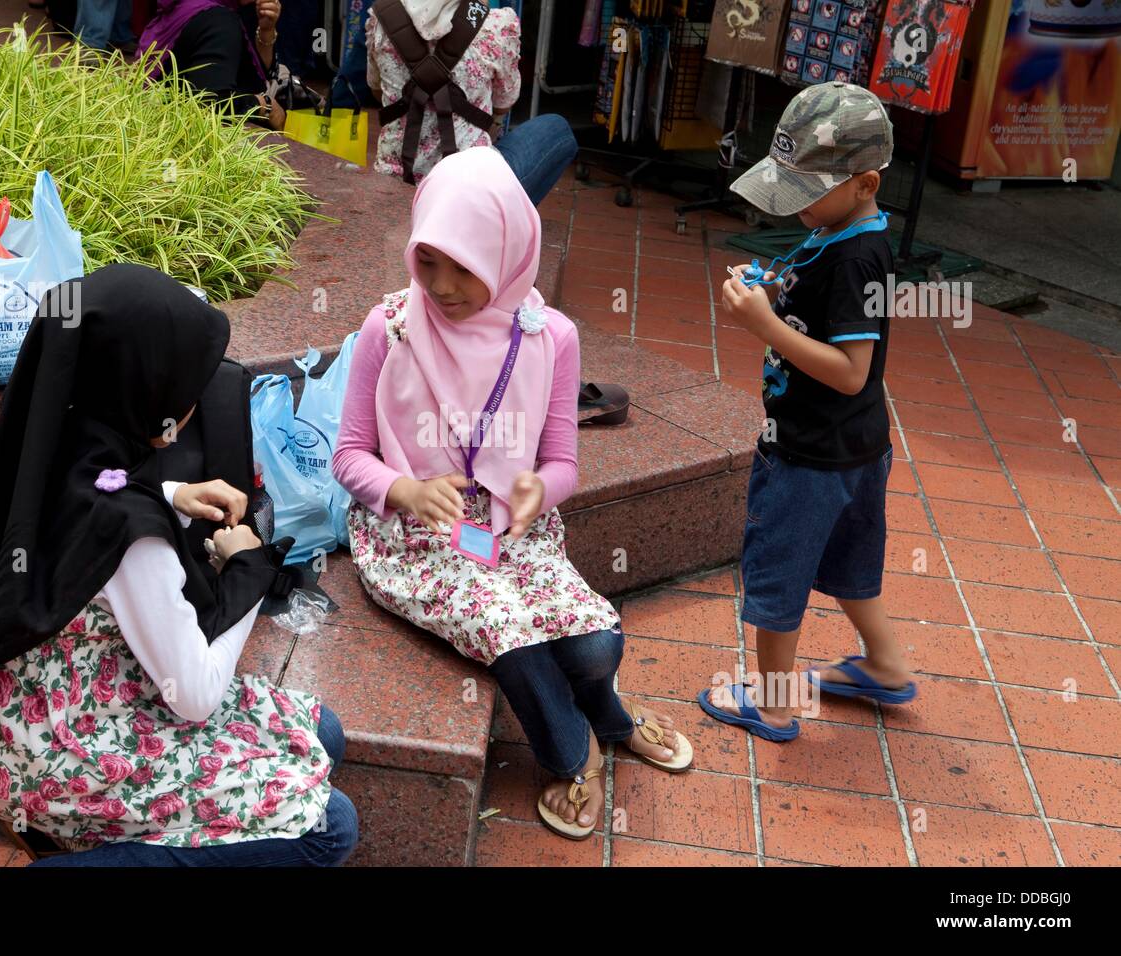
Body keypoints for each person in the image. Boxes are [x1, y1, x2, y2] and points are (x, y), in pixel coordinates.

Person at [0, 264, 357, 866]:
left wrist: (173, 495)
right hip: (70, 757)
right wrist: (247, 572)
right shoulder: (134, 538)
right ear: (144, 382)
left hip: (41, 715)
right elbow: (195, 694)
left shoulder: (54, 439)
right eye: (187, 380)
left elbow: (95, 500)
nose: (195, 401)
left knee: (323, 733)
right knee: (330, 827)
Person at [332, 147, 692, 842]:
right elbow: (349, 455)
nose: (440, 285)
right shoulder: (390, 325)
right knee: (511, 635)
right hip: (414, 535)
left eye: (464, 265)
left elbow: (561, 464)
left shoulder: (549, 337)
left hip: (510, 530)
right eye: (427, 260)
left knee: (594, 646)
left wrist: (536, 489)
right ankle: (572, 755)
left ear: (507, 251)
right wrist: (405, 487)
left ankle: (609, 708)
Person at [697, 82, 918, 743]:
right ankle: (883, 665)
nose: (795, 206)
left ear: (864, 182)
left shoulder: (855, 257)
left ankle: (771, 705)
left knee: (777, 574)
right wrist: (777, 291)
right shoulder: (850, 232)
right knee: (853, 563)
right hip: (858, 447)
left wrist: (765, 325)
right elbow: (830, 319)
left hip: (809, 452)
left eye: (807, 190)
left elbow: (850, 373)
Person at [365, 0, 577, 206]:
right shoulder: (495, 25)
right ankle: (503, 225)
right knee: (556, 128)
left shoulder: (382, 17)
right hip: (469, 192)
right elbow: (504, 103)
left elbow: (376, 90)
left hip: (395, 181)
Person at [138, 0, 287, 129]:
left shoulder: (196, 7)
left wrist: (266, 31)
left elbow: (256, 73)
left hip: (154, 126)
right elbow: (209, 104)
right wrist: (266, 106)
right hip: (188, 143)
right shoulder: (220, 21)